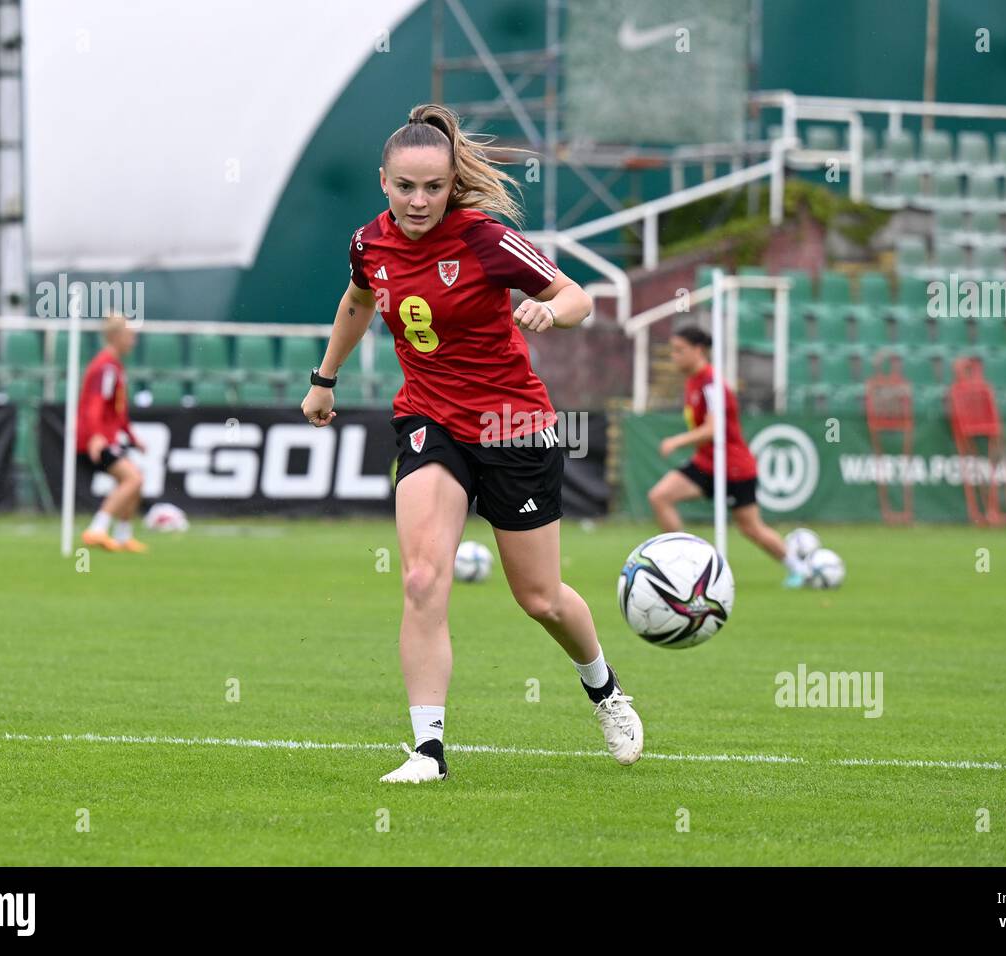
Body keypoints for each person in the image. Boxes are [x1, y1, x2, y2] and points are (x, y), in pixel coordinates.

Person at [301, 103, 643, 783]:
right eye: (406, 186)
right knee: (423, 578)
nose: (420, 200)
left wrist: (550, 309)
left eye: (433, 186)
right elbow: (358, 301)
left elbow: (577, 294)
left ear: (453, 182)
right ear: (383, 181)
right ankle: (428, 750)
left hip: (512, 426)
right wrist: (324, 378)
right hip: (430, 419)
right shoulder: (369, 244)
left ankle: (604, 689)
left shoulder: (485, 239)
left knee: (540, 598)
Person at [647, 327, 810, 587]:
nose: (674, 357)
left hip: (733, 467)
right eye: (672, 351)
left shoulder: (712, 383)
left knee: (750, 527)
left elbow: (714, 429)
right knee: (660, 496)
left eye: (680, 350)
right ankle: (687, 564)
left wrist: (677, 441)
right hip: (706, 463)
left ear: (698, 350)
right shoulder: (692, 381)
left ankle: (800, 568)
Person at [76, 313, 148, 554]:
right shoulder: (104, 367)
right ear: (116, 336)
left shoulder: (114, 366)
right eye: (130, 335)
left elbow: (118, 411)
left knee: (134, 480)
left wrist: (133, 438)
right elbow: (94, 405)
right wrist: (96, 436)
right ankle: (97, 528)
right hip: (97, 438)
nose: (133, 340)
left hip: (107, 435)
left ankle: (123, 535)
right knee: (132, 479)